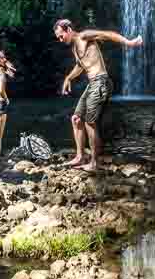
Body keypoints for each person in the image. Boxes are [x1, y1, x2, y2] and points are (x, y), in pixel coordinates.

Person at [53, 19, 143, 172]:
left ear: (68, 29)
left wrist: (129, 43)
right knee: (76, 119)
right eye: (58, 38)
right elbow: (80, 66)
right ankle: (80, 156)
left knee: (90, 122)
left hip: (101, 81)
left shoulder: (84, 36)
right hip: (92, 84)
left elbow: (106, 34)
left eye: (61, 36)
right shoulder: (75, 47)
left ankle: (94, 163)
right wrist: (68, 78)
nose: (61, 40)